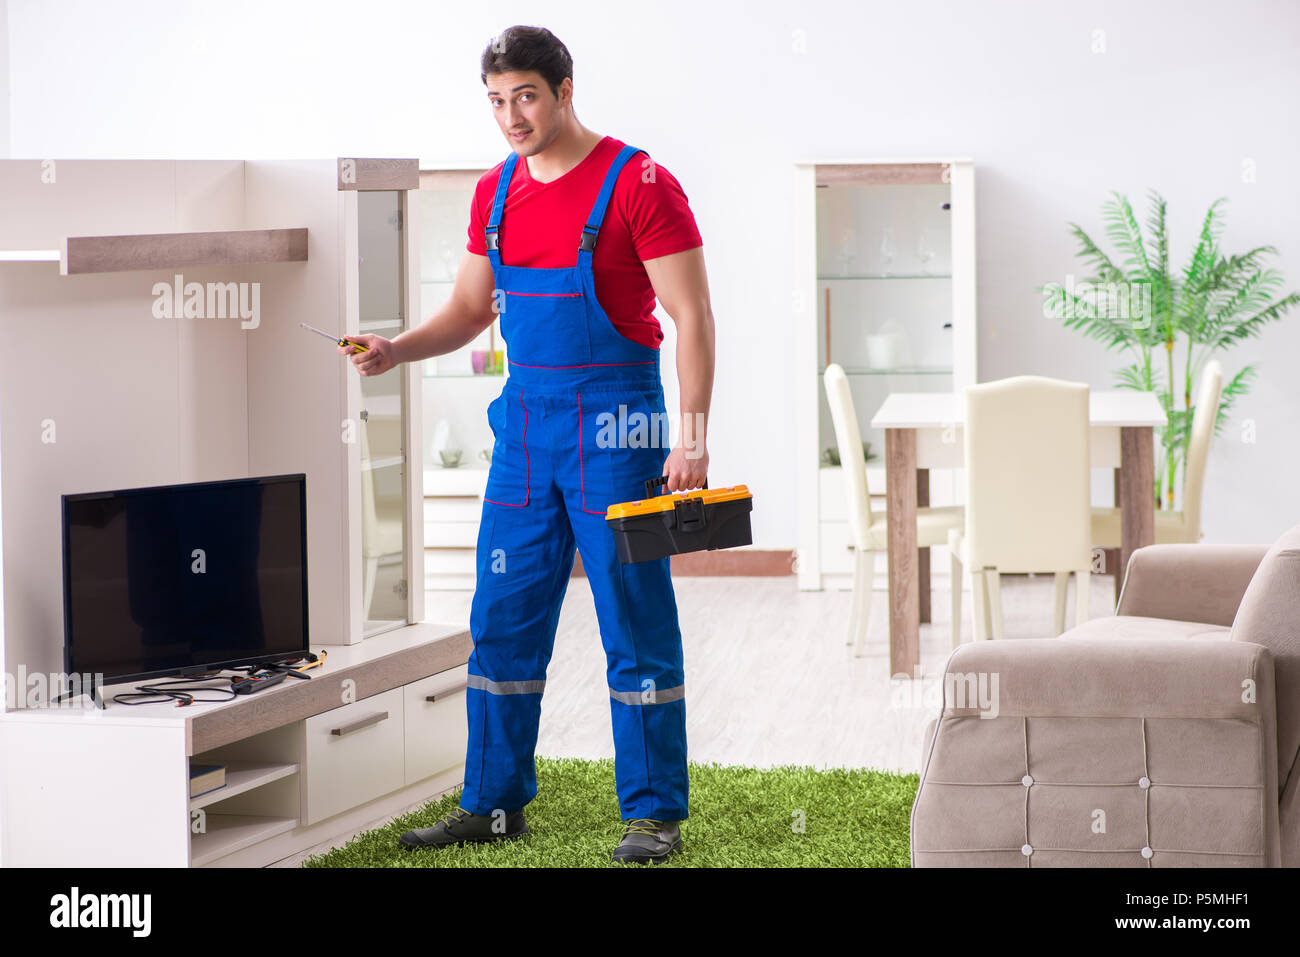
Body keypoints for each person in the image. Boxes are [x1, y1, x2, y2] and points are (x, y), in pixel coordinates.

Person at [340, 25, 715, 865]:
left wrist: (690, 436)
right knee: (500, 618)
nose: (511, 116)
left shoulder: (638, 183)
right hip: (525, 433)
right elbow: (475, 311)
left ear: (565, 88)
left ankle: (654, 812)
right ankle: (493, 802)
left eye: (526, 96)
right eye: (497, 100)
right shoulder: (496, 191)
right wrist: (397, 348)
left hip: (620, 429)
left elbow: (692, 315)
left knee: (634, 619)